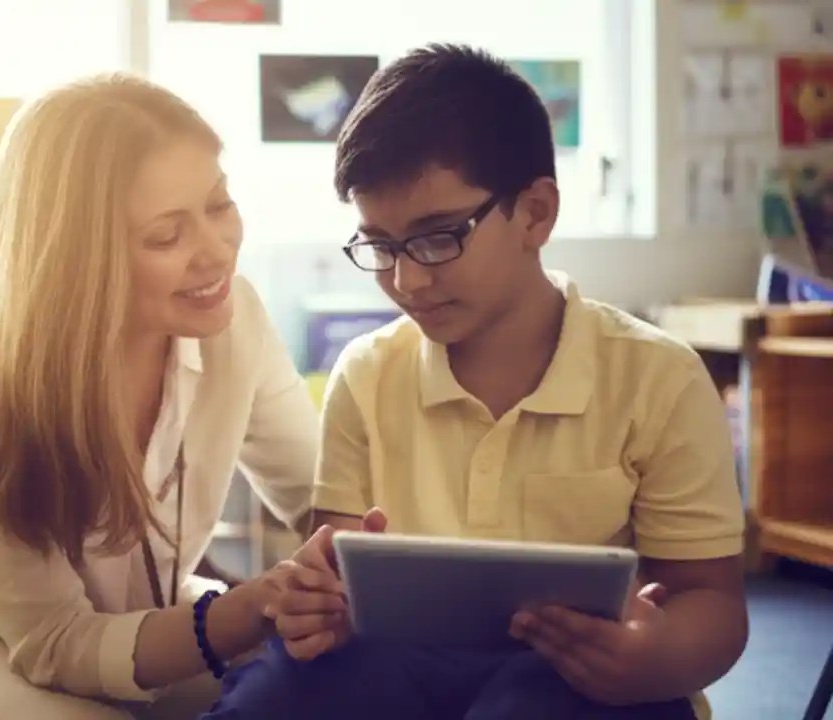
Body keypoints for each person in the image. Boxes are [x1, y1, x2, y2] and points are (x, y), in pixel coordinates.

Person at [204, 44, 748, 720]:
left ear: (535, 213)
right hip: (392, 664)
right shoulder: (368, 372)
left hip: (578, 681)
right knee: (270, 700)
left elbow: (714, 605)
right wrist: (318, 606)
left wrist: (652, 655)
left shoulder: (657, 378)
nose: (406, 280)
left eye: (437, 238)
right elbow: (334, 575)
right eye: (379, 246)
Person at [0, 73, 334, 720]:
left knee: (327, 691)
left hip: (113, 623)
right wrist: (243, 612)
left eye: (219, 206)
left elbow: (327, 499)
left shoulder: (234, 320)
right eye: (165, 235)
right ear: (78, 254)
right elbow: (57, 643)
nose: (216, 253)